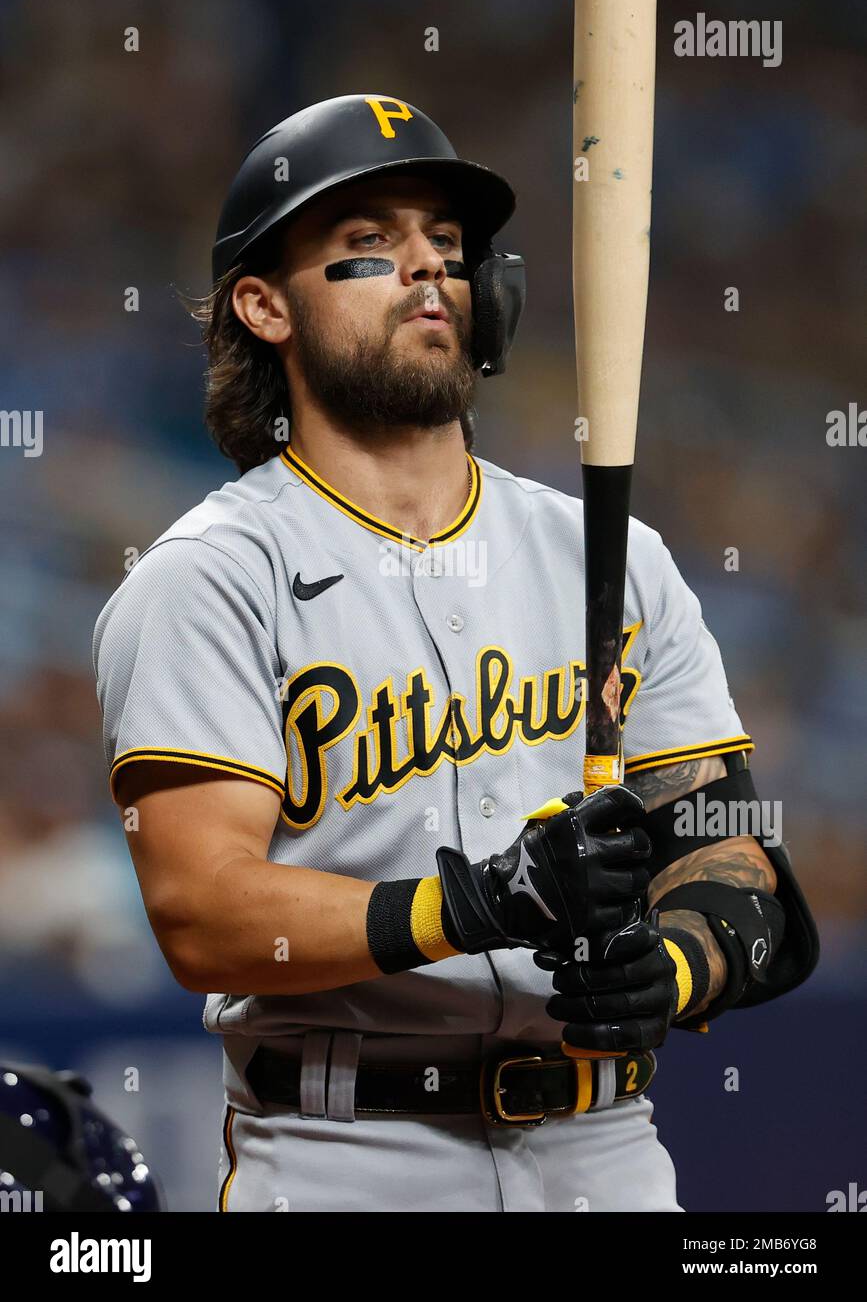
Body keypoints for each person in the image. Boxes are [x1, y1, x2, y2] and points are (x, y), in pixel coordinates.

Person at [93, 95, 818, 1213]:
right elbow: (205, 913)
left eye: (446, 241)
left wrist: (670, 967)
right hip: (346, 1153)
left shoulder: (608, 559)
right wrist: (474, 903)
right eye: (367, 245)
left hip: (607, 1150)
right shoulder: (207, 576)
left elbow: (737, 866)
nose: (427, 266)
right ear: (263, 305)